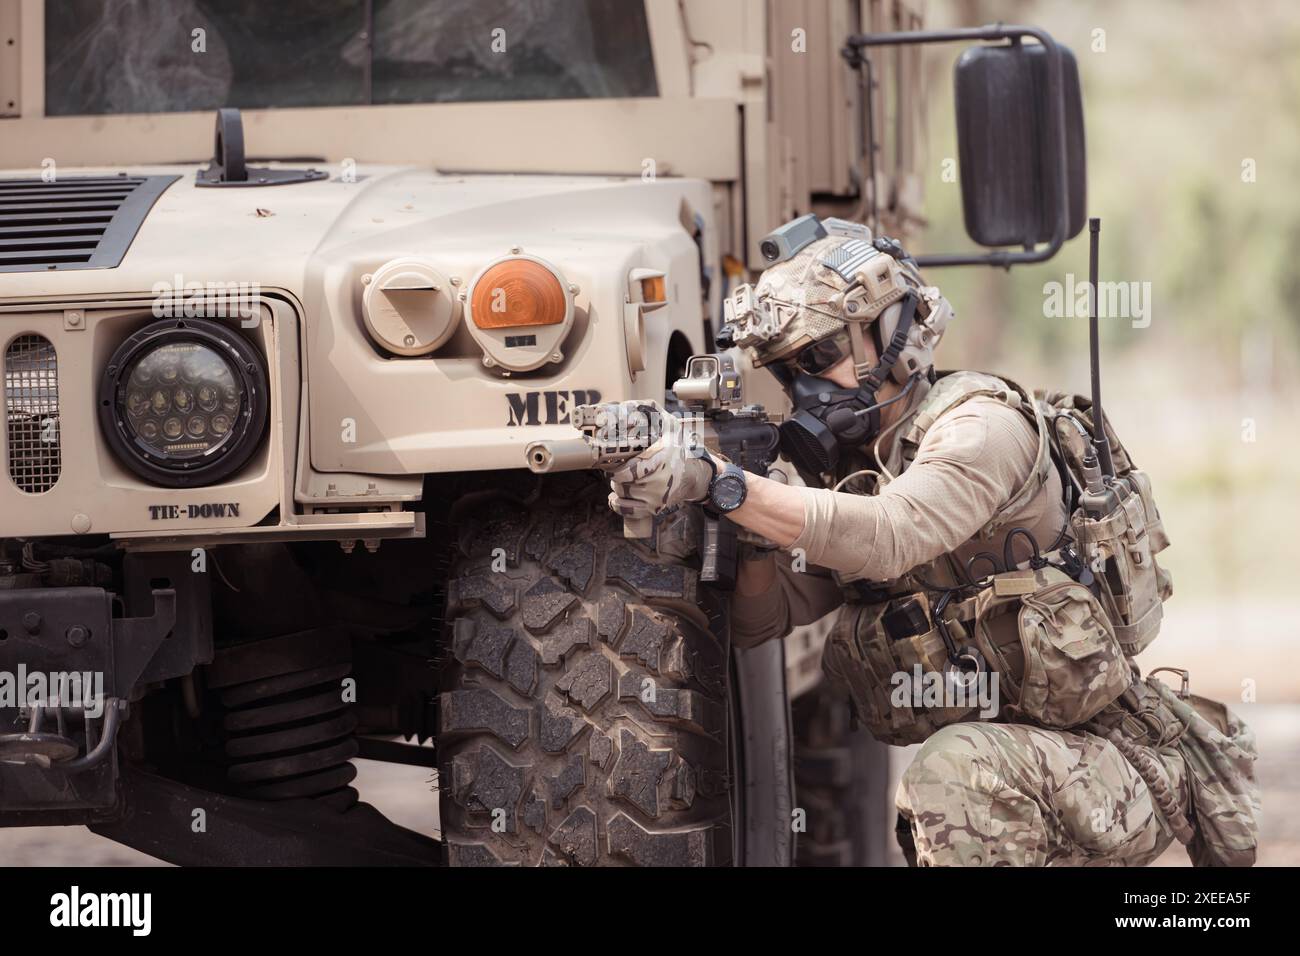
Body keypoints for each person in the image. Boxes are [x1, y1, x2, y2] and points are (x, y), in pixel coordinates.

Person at [600, 220, 1259, 866]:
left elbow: (893, 534)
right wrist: (752, 533)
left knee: (952, 778)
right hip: (1026, 771)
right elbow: (760, 624)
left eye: (820, 357)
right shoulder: (862, 471)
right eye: (787, 371)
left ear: (893, 333)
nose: (804, 389)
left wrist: (722, 482)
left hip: (1113, 765)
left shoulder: (981, 430)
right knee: (959, 777)